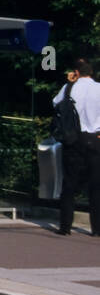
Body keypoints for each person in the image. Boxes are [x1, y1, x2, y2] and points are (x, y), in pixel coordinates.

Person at [53, 58, 100, 236]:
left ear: (76, 72)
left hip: (73, 140)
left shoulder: (68, 88)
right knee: (96, 186)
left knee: (70, 184)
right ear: (92, 72)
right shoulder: (99, 88)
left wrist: (69, 82)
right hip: (96, 139)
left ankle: (65, 227)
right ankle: (97, 229)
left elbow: (56, 104)